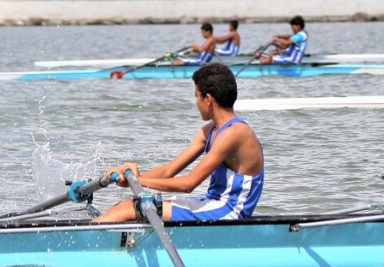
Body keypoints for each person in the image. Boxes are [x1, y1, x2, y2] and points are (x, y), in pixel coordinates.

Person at [93, 62, 265, 223]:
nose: (196, 102)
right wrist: (130, 178)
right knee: (127, 206)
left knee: (128, 209)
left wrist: (138, 180)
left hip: (230, 212)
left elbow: (188, 184)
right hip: (211, 203)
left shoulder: (235, 133)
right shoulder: (209, 131)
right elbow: (169, 170)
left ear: (208, 99)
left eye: (196, 96)